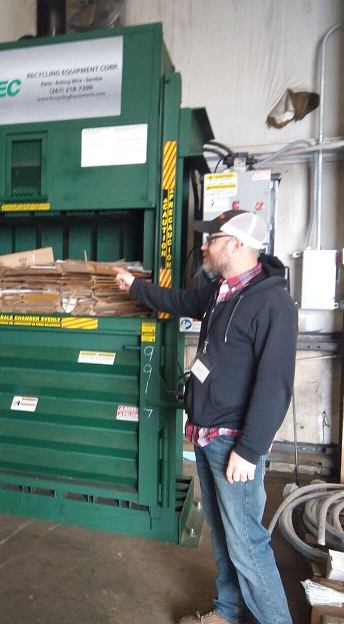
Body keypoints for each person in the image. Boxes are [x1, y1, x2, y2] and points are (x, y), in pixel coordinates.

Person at [114, 210, 296, 624]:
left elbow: (275, 385)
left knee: (248, 543)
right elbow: (179, 300)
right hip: (207, 436)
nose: (203, 245)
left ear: (235, 243)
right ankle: (229, 611)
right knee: (225, 536)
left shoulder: (273, 302)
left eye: (211, 238)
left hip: (235, 443)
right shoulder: (221, 292)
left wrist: (247, 451)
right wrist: (135, 287)